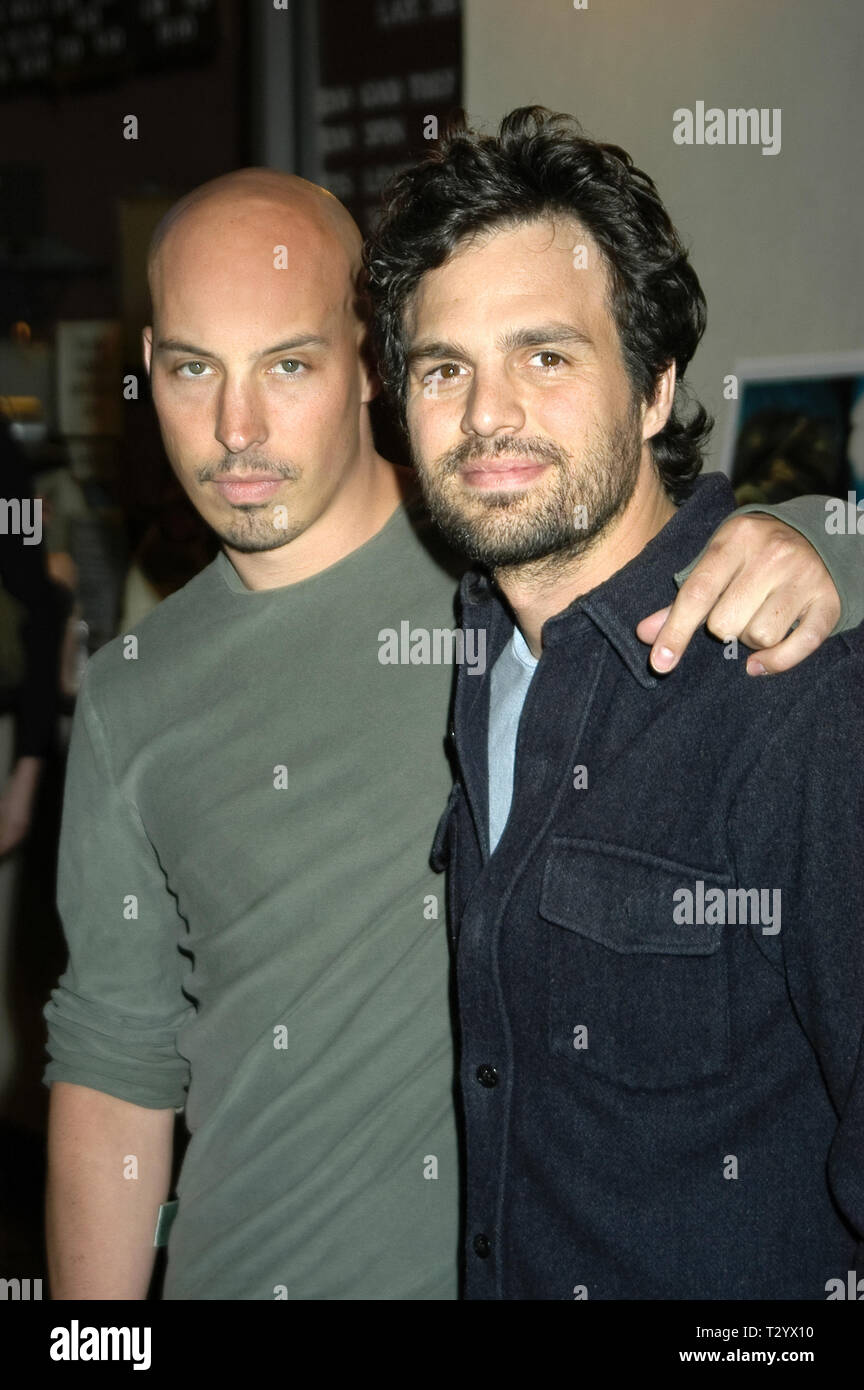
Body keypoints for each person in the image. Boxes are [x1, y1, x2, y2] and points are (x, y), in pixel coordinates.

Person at [43, 164, 862, 1301]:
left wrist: (826, 542)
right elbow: (111, 1057)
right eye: (192, 368)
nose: (237, 429)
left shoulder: (528, 564)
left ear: (364, 370)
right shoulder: (146, 690)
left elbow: (668, 541)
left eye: (288, 363)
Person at [365, 106, 864, 1300]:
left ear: (653, 389)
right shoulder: (477, 653)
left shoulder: (800, 706)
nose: (488, 415)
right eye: (445, 369)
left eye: (546, 355)